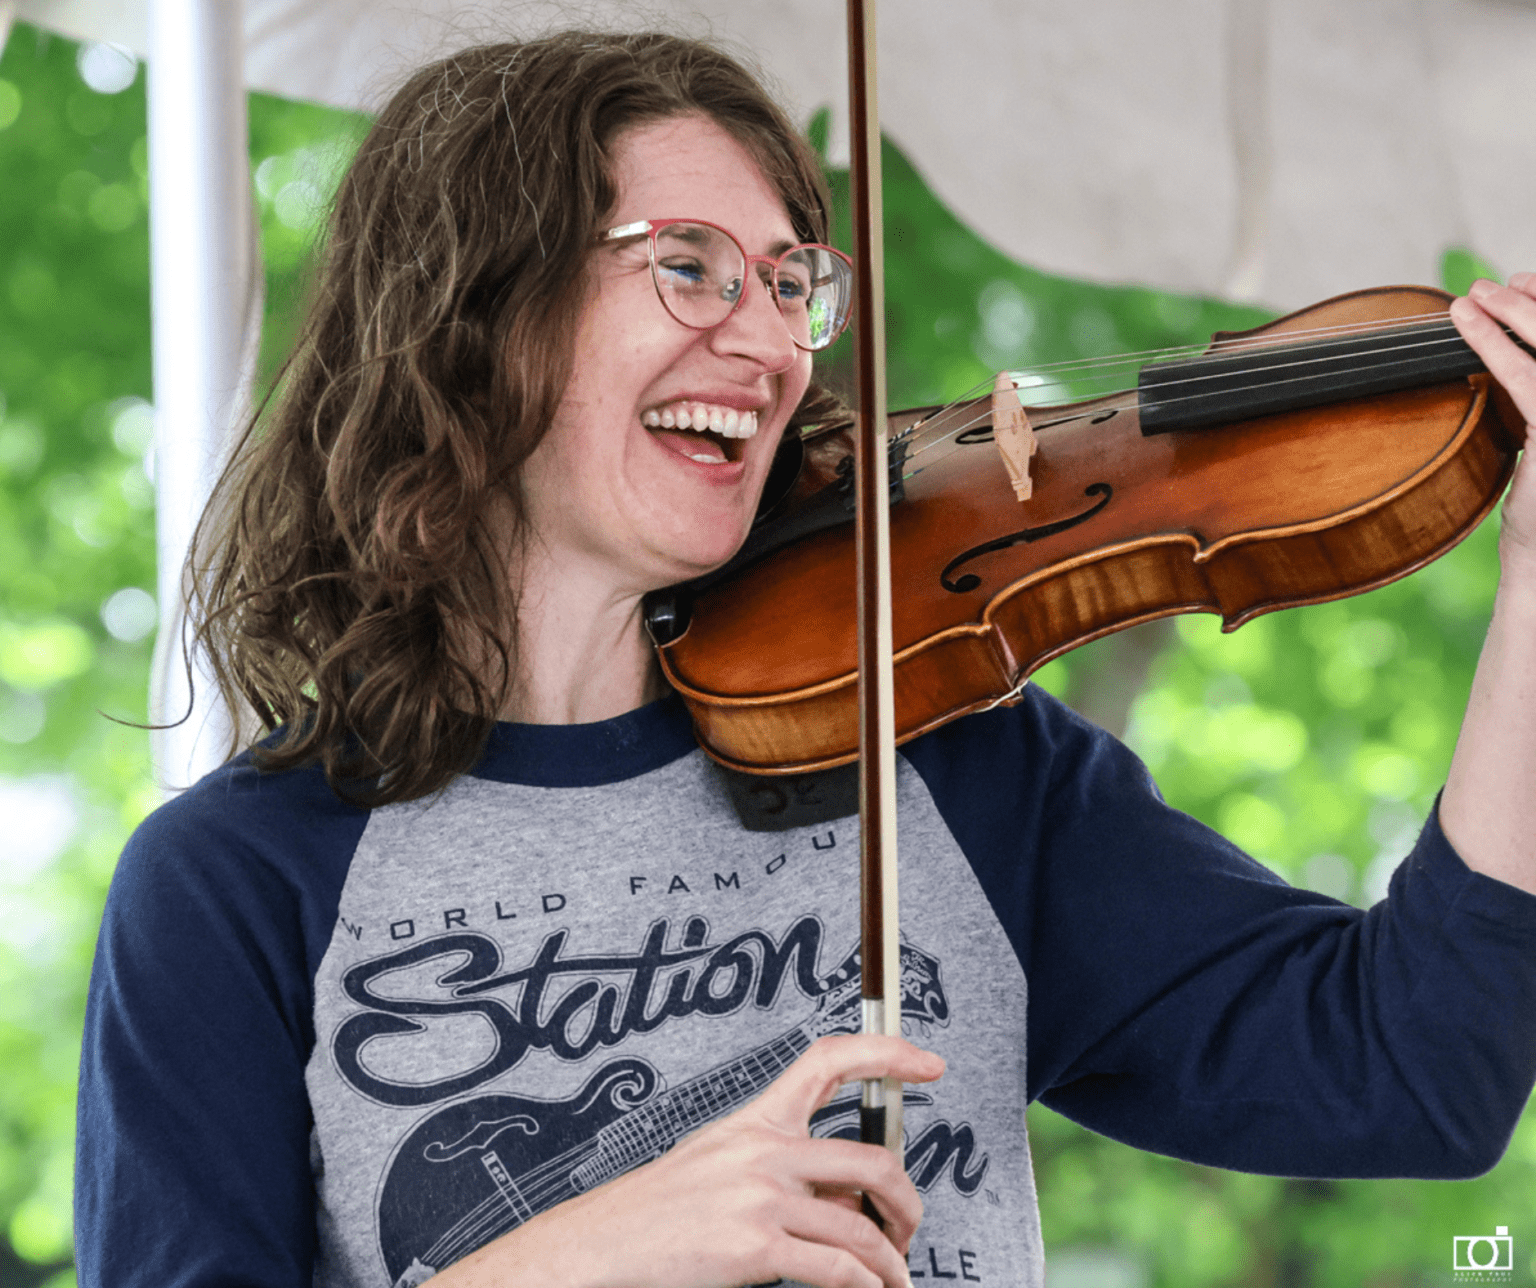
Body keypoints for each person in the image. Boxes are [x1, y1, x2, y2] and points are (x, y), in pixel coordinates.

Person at [74, 30, 1536, 1288]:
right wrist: (585, 1249)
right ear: (473, 316)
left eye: (789, 282)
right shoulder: (237, 885)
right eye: (692, 268)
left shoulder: (947, 750)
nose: (771, 346)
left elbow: (1417, 1071)